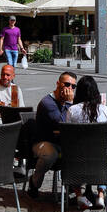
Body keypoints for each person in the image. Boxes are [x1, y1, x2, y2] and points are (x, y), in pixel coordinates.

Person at [65, 75, 107, 208]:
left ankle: (79, 195)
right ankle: (101, 195)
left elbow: (67, 138)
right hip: (98, 160)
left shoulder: (72, 110)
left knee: (69, 158)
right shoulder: (106, 110)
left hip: (77, 160)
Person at [27, 71, 76, 200]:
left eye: (73, 86)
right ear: (58, 84)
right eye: (66, 84)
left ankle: (76, 187)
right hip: (43, 142)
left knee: (81, 150)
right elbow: (63, 123)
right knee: (50, 154)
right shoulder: (47, 102)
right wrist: (70, 103)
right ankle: (34, 183)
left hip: (63, 142)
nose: (69, 89)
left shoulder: (69, 102)